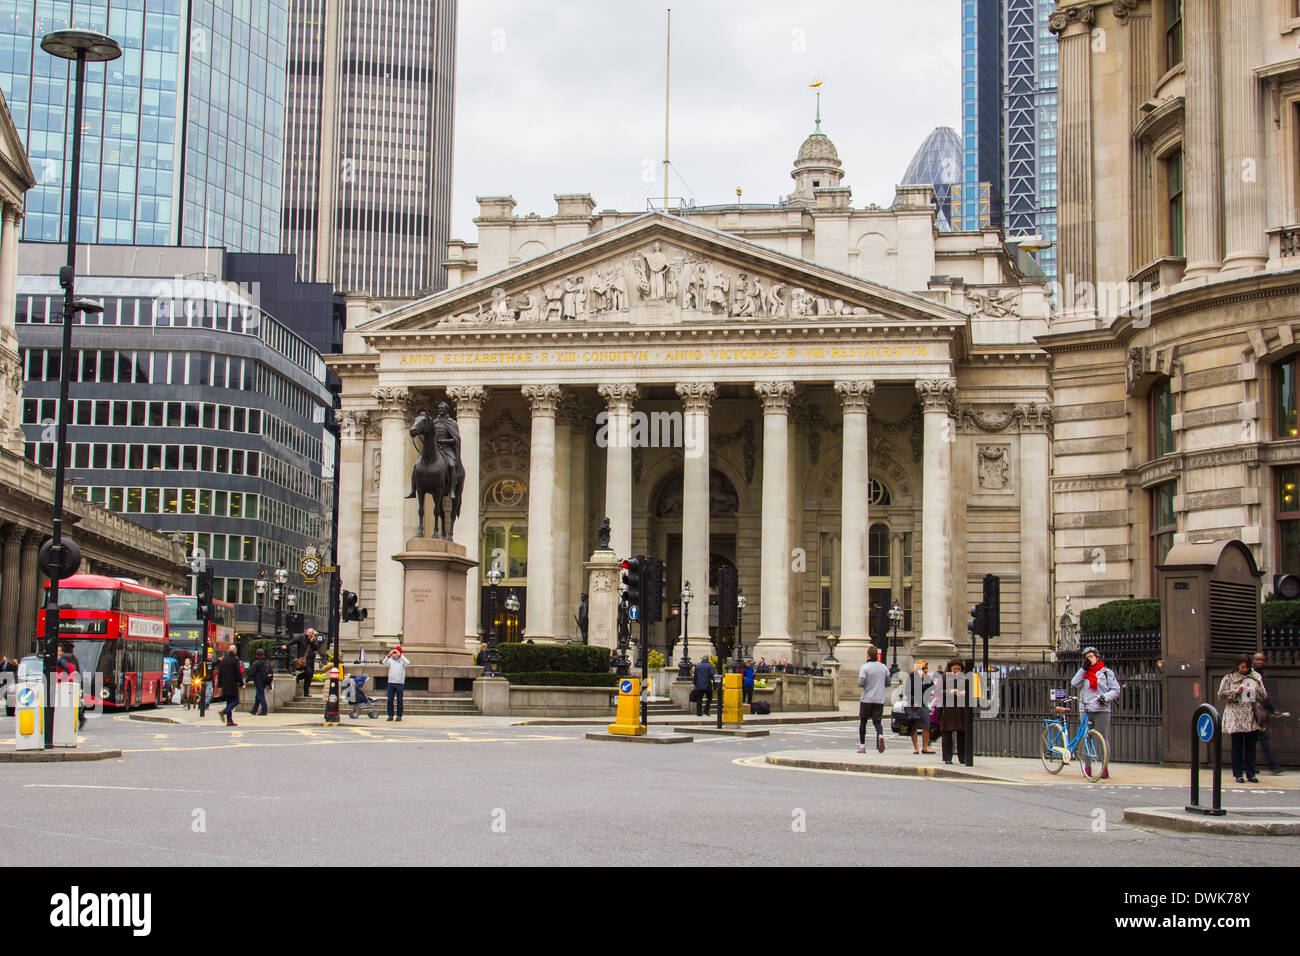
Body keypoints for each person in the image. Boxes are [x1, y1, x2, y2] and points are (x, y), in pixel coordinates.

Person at [1070, 646, 1121, 779]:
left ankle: (1104, 768)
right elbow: (1074, 683)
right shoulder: (1084, 673)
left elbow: (1116, 690)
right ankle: (1087, 767)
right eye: (1087, 657)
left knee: (1102, 738)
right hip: (1086, 709)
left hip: (1102, 709)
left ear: (1098, 657)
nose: (1090, 659)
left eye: (1092, 656)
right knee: (1087, 738)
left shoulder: (1106, 673)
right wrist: (1083, 668)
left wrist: (1105, 697)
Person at [1218, 654, 1268, 784]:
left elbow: (1263, 696)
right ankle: (1238, 773)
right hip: (1236, 716)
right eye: (1242, 667)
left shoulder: (1256, 677)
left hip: (1251, 716)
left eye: (1247, 667)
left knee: (1251, 746)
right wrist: (1236, 692)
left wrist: (1254, 690)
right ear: (1237, 666)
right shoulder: (1229, 678)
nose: (1245, 669)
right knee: (1237, 746)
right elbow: (1221, 694)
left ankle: (1251, 773)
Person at [1252, 652, 1284, 776]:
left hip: (1259, 712)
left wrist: (1272, 709)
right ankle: (1272, 766)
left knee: (1255, 739)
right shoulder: (1252, 675)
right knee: (1259, 739)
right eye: (1258, 660)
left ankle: (1249, 765)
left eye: (1262, 660)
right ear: (1253, 660)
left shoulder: (1261, 674)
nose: (1260, 662)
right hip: (1254, 712)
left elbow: (1265, 695)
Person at [857, 645, 890, 754]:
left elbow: (861, 683)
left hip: (866, 698)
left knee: (863, 722)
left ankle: (862, 746)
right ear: (876, 655)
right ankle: (880, 736)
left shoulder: (864, 668)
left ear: (868, 655)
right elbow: (888, 683)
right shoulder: (883, 667)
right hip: (879, 699)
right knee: (877, 722)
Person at [937, 658, 970, 765]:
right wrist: (949, 691)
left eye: (958, 669)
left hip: (961, 709)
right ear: (950, 669)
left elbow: (972, 691)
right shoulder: (945, 678)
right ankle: (947, 757)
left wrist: (966, 692)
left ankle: (962, 757)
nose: (956, 671)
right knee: (947, 734)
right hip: (948, 710)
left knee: (962, 734)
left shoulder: (965, 678)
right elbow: (938, 691)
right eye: (954, 669)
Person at [903, 660, 935, 755]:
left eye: (926, 669)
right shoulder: (911, 677)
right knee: (914, 726)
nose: (925, 670)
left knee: (926, 726)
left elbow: (932, 687)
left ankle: (925, 747)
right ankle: (916, 748)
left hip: (924, 703)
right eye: (923, 668)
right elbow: (908, 691)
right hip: (914, 704)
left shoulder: (926, 677)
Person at [55, 641, 86, 729]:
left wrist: (60, 678)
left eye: (58, 651)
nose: (57, 652)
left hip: (64, 685)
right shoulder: (70, 660)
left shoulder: (62, 661)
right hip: (68, 685)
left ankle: (77, 718)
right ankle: (79, 718)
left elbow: (66, 671)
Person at [216, 647, 244, 727]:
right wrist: (241, 683)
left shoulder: (224, 660)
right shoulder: (235, 660)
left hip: (225, 684)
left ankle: (229, 720)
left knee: (229, 702)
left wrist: (220, 684)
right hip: (232, 684)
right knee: (236, 701)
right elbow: (238, 673)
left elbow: (220, 673)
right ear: (235, 651)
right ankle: (224, 711)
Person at [385, 645, 409, 721]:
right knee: (390, 700)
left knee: (399, 700)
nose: (395, 653)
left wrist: (400, 656)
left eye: (396, 651)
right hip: (391, 682)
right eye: (394, 651)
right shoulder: (391, 660)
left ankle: (399, 715)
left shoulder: (402, 660)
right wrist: (389, 655)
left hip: (399, 683)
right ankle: (390, 715)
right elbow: (384, 663)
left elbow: (407, 662)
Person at [247, 649, 273, 716]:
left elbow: (252, 672)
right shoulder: (267, 662)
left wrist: (247, 679)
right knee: (258, 696)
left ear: (257, 654)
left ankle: (264, 710)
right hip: (265, 680)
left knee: (261, 696)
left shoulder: (257, 662)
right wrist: (269, 682)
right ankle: (254, 710)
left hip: (259, 681)